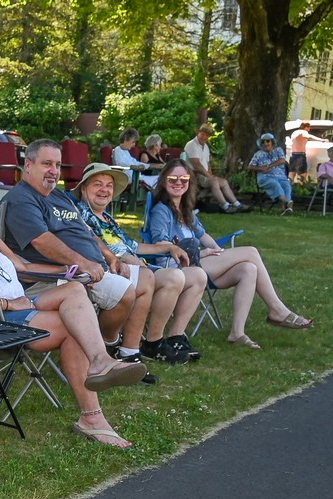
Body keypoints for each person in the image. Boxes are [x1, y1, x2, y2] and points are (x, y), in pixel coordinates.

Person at [0, 181, 147, 448]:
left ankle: (100, 362)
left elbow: (24, 268)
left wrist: (70, 270)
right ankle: (92, 414)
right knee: (72, 328)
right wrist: (5, 303)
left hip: (17, 306)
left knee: (74, 289)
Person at [0, 139, 149, 369]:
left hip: (91, 268)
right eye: (47, 164)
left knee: (144, 279)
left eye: (58, 165)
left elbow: (87, 232)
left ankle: (118, 349)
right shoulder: (21, 199)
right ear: (28, 165)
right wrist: (83, 263)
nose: (53, 170)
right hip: (54, 277)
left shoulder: (60, 197)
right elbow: (41, 240)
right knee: (125, 291)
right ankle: (106, 348)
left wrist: (111, 257)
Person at [146, 159, 313, 349]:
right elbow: (161, 244)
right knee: (251, 252)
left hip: (198, 264)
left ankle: (237, 333)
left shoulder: (184, 209)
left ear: (189, 182)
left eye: (183, 179)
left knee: (248, 269)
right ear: (163, 181)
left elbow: (203, 235)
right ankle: (277, 310)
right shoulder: (161, 211)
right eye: (172, 179)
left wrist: (218, 252)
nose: (178, 183)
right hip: (177, 268)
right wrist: (202, 254)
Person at [73, 163, 206, 364]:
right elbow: (90, 246)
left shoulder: (107, 218)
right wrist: (119, 259)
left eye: (109, 186)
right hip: (117, 271)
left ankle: (172, 337)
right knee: (174, 277)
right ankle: (153, 342)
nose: (104, 190)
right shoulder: (80, 215)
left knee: (196, 275)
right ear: (83, 189)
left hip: (138, 267)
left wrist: (169, 247)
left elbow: (133, 246)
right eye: (97, 184)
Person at [183, 123, 247, 213]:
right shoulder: (191, 145)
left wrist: (210, 174)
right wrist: (208, 176)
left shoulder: (205, 147)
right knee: (214, 182)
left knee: (224, 182)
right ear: (198, 133)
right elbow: (196, 164)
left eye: (207, 135)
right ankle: (226, 206)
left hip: (204, 174)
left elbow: (207, 163)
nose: (204, 137)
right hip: (194, 174)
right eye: (203, 134)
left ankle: (237, 204)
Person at [248, 132, 294, 214]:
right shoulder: (258, 154)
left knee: (287, 186)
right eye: (263, 142)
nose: (265, 143)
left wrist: (269, 165)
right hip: (265, 177)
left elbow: (282, 160)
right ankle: (287, 203)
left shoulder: (278, 150)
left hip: (280, 176)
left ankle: (285, 209)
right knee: (274, 184)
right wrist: (261, 168)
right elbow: (250, 166)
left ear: (272, 142)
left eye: (267, 141)